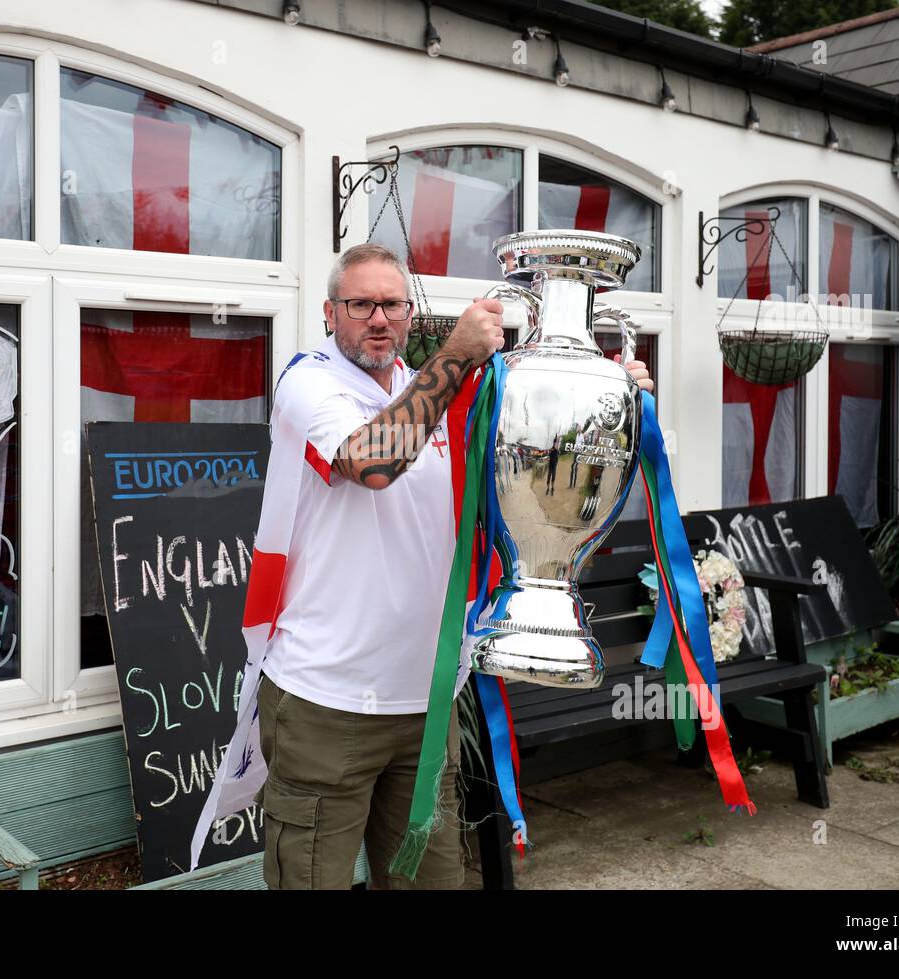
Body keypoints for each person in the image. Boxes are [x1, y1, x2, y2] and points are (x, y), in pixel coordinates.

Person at [197, 243, 653, 890]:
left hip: (428, 698)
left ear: (410, 313)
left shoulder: (441, 396)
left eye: (392, 304)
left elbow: (531, 467)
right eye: (360, 304)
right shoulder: (310, 380)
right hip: (326, 697)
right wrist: (458, 352)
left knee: (432, 880)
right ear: (331, 312)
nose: (378, 319)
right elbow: (373, 462)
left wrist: (604, 408)